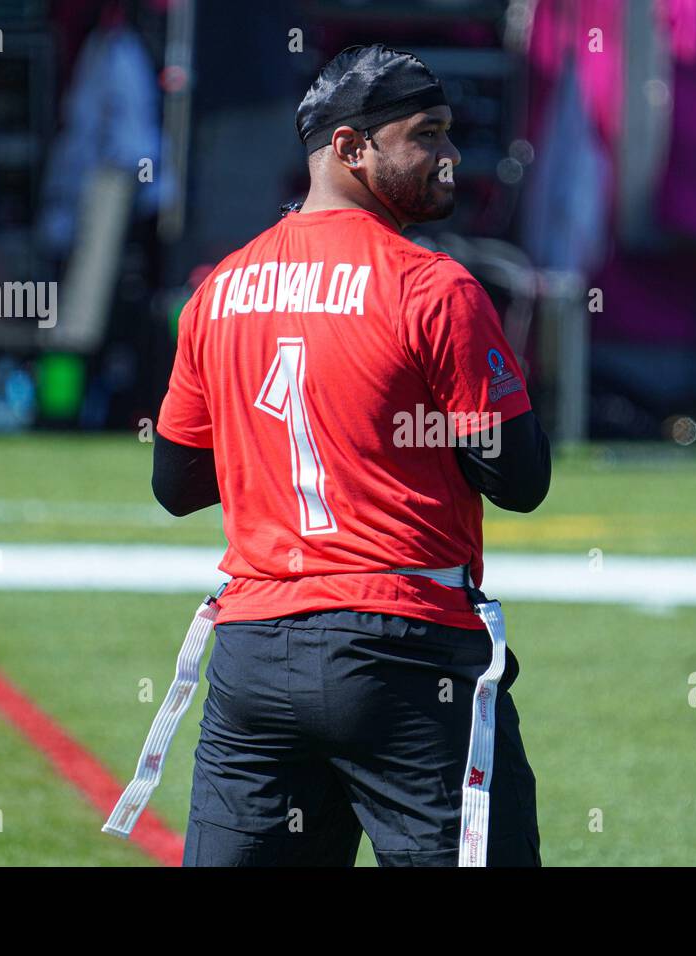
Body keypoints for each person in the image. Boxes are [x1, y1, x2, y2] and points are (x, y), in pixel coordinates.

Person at [148, 44, 551, 866]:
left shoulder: (220, 286)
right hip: (405, 650)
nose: (450, 156)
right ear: (349, 148)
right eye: (427, 135)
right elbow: (520, 479)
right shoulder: (431, 286)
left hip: (256, 655)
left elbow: (176, 483)